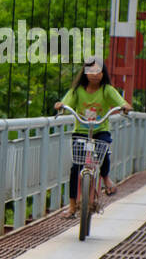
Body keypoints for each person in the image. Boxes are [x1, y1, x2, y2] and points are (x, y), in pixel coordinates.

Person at [54, 60, 131, 217]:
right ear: (85, 72)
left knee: (104, 152)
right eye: (91, 71)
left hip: (100, 129)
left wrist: (125, 106)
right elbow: (66, 103)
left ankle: (106, 178)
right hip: (81, 130)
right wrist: (61, 106)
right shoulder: (77, 91)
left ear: (103, 74)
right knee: (76, 167)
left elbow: (120, 101)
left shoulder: (106, 90)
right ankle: (72, 206)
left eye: (99, 71)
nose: (95, 75)